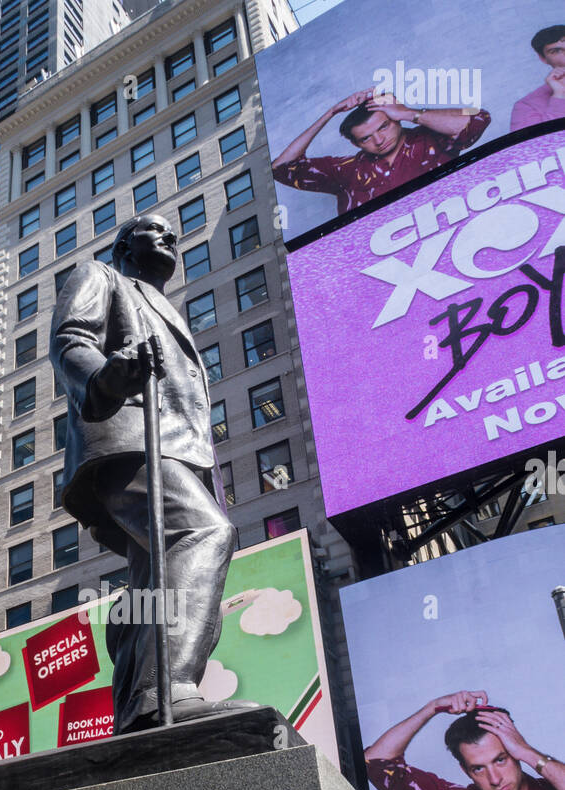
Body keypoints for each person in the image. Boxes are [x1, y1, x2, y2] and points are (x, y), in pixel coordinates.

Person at [49, 213, 255, 734]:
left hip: (175, 453)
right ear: (123, 243)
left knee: (152, 584)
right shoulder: (102, 276)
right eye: (155, 229)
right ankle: (171, 686)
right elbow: (71, 340)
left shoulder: (163, 307)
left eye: (175, 234)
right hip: (127, 441)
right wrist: (106, 376)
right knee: (203, 532)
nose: (170, 237)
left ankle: (137, 700)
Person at [364, 691, 565, 790]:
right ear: (465, 770)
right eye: (478, 768)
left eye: (500, 760)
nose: (494, 779)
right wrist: (431, 708)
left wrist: (528, 752)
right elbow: (375, 761)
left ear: (515, 753)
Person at [271, 91, 490, 216]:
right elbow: (281, 168)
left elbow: (477, 119)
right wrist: (330, 113)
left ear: (395, 120)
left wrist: (408, 112)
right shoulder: (347, 170)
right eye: (366, 138)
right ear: (356, 144)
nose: (379, 140)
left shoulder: (430, 138)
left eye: (383, 127)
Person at [511, 25, 565, 132]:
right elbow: (535, 146)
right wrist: (559, 96)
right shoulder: (526, 107)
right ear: (543, 58)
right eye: (556, 51)